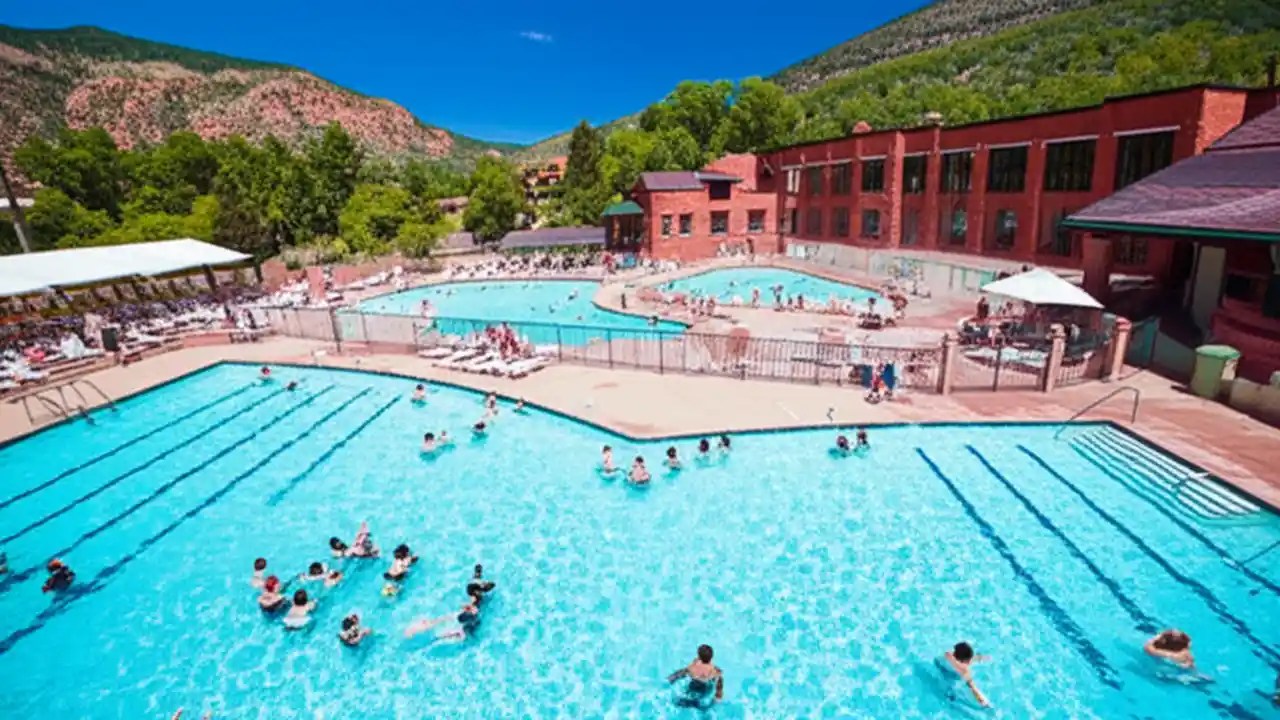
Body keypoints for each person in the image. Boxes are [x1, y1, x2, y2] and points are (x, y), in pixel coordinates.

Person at [404, 599, 481, 643]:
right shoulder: (457, 618)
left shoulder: (456, 615)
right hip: (454, 626)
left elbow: (442, 621)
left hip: (452, 625)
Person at [942, 642, 991, 708]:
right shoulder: (964, 670)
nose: (969, 661)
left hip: (944, 671)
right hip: (953, 679)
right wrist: (984, 703)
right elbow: (973, 689)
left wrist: (980, 658)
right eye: (968, 659)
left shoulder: (948, 654)